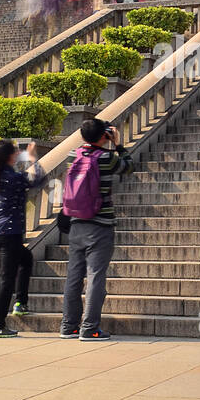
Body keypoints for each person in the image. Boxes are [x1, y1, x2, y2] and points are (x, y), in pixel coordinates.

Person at [59, 118, 132, 340]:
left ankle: (68, 326)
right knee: (96, 276)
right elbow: (128, 167)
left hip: (76, 223)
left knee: (73, 277)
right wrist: (117, 144)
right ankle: (89, 328)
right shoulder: (108, 158)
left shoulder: (74, 156)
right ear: (105, 136)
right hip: (101, 224)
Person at [0, 139, 48, 337]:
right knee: (7, 279)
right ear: (11, 156)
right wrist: (32, 158)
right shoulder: (13, 177)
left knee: (26, 259)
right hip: (9, 233)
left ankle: (20, 302)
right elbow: (39, 180)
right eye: (15, 152)